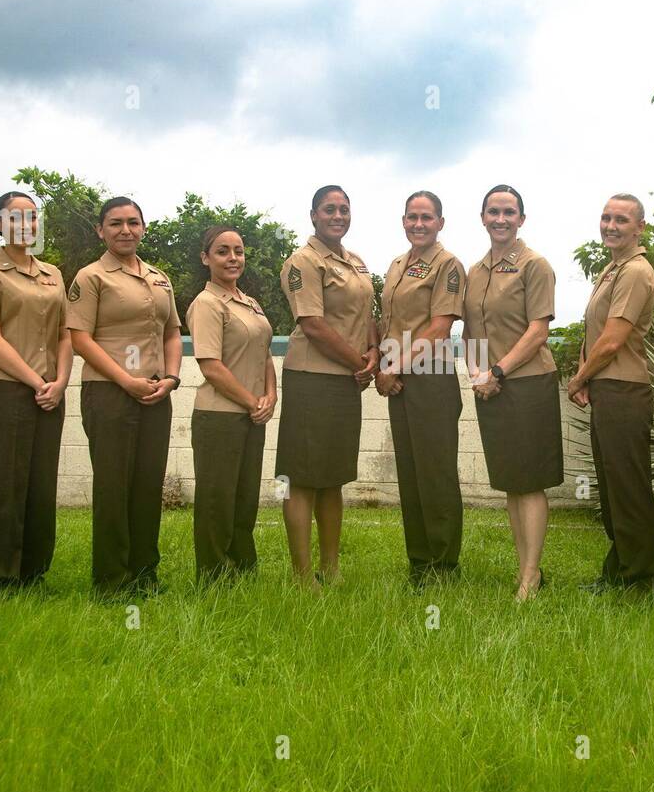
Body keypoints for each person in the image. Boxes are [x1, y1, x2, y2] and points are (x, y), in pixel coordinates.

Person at [67, 197, 182, 597]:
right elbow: (80, 338)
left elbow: (171, 332)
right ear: (101, 230)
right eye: (115, 223)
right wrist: (125, 380)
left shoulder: (159, 277)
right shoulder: (90, 277)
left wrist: (170, 378)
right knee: (115, 486)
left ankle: (144, 574)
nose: (125, 230)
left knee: (147, 485)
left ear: (144, 228)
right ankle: (112, 581)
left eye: (133, 222)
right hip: (109, 393)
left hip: (155, 393)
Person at [0, 190, 72, 595]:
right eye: (14, 217)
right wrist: (36, 382)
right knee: (3, 486)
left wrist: (60, 383)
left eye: (32, 217)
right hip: (5, 389)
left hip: (50, 392)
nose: (24, 225)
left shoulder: (53, 274)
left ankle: (33, 575)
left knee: (40, 487)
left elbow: (66, 335)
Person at [463, 184, 563, 601]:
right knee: (510, 482)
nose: (500, 218)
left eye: (509, 211)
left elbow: (538, 330)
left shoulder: (535, 265)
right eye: (493, 211)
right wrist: (477, 374)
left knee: (530, 481)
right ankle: (525, 571)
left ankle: (531, 573)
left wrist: (499, 370)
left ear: (521, 218)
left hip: (527, 383)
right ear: (482, 218)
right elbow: (469, 330)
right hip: (489, 386)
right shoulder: (475, 270)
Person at [277, 186, 379, 590]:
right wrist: (361, 365)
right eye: (329, 209)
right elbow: (313, 325)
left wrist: (371, 351)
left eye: (344, 209)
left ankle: (331, 569)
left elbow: (366, 314)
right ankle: (303, 576)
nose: (338, 215)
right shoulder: (302, 262)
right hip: (312, 377)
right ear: (314, 216)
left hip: (346, 380)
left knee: (333, 477)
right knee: (302, 477)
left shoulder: (354, 262)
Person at [567, 194, 654, 594]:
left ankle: (642, 581)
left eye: (621, 219)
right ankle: (620, 570)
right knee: (612, 489)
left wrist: (577, 380)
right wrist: (585, 372)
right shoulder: (612, 269)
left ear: (640, 227)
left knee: (627, 488)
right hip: (608, 387)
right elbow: (595, 336)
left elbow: (612, 341)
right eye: (605, 217)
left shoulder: (636, 271)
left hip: (624, 390)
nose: (610, 225)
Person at [377, 191, 467, 588]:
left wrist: (393, 366)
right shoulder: (397, 265)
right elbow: (389, 321)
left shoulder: (448, 265)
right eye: (412, 217)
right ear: (403, 221)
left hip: (429, 376)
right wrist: (386, 367)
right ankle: (419, 562)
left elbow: (439, 326)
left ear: (440, 223)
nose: (418, 224)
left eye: (426, 217)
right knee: (411, 474)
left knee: (435, 473)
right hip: (399, 379)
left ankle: (444, 565)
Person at [187, 225, 275, 584]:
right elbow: (210, 365)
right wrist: (253, 400)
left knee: (244, 497)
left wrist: (271, 395)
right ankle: (213, 576)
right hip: (219, 415)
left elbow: (265, 354)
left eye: (238, 251)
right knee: (216, 500)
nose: (233, 258)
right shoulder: (206, 304)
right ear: (206, 258)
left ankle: (242, 567)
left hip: (252, 415)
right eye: (223, 251)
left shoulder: (250, 303)